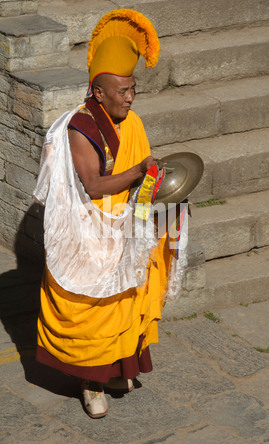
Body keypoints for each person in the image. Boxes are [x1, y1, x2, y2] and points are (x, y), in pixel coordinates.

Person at [33, 9, 185, 419]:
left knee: (128, 294)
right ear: (99, 93)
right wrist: (139, 171)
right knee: (96, 303)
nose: (130, 97)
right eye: (122, 90)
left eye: (133, 89)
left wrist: (159, 195)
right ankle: (90, 381)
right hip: (90, 235)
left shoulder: (130, 122)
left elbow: (141, 177)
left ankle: (119, 369)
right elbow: (94, 187)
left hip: (125, 225)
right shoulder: (80, 129)